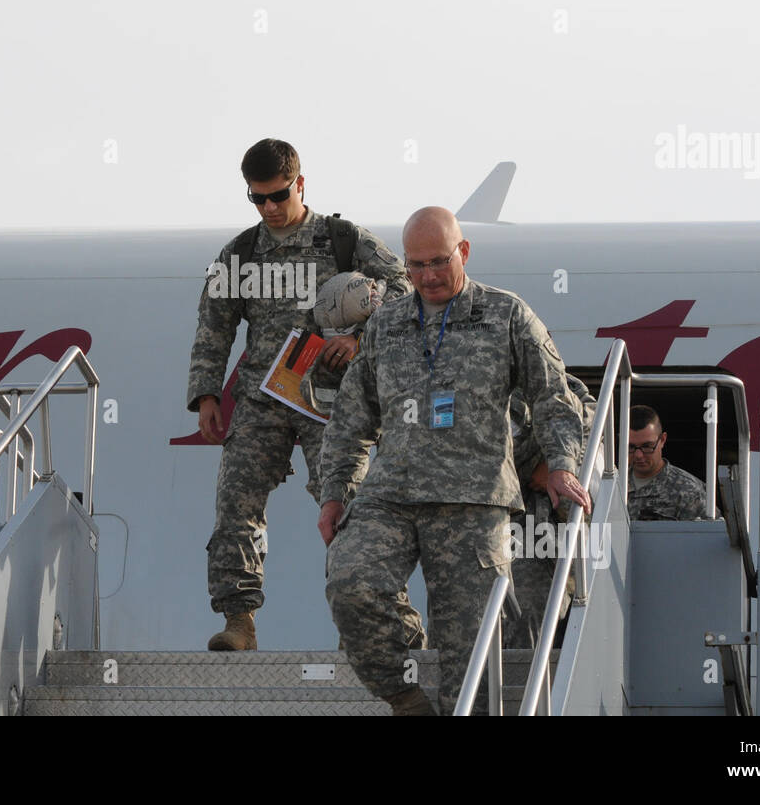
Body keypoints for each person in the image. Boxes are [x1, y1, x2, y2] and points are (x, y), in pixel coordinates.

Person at [320, 206, 591, 715]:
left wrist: (562, 466)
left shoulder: (505, 315)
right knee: (350, 581)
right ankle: (404, 696)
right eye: (415, 265)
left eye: (438, 262)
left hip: (473, 501)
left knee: (472, 654)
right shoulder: (386, 324)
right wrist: (335, 493)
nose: (427, 276)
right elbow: (353, 418)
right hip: (391, 495)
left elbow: (554, 397)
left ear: (463, 252)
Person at [186, 138, 422, 651]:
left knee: (349, 506)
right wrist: (207, 394)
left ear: (300, 183)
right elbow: (214, 325)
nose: (269, 207)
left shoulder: (343, 240)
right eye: (257, 198)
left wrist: (356, 337)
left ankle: (371, 623)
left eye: (278, 195)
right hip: (263, 398)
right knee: (235, 504)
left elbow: (404, 288)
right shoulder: (242, 254)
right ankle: (239, 620)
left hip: (333, 397)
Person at [504, 374, 596, 651]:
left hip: (543, 523)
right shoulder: (482, 381)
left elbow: (588, 424)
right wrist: (540, 464)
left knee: (532, 609)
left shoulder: (568, 386)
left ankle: (530, 687)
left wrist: (559, 463)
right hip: (488, 516)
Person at [627, 405, 707, 521]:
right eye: (631, 446)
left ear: (662, 440)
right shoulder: (611, 487)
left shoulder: (689, 492)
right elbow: (597, 533)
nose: (639, 455)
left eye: (647, 446)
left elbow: (709, 536)